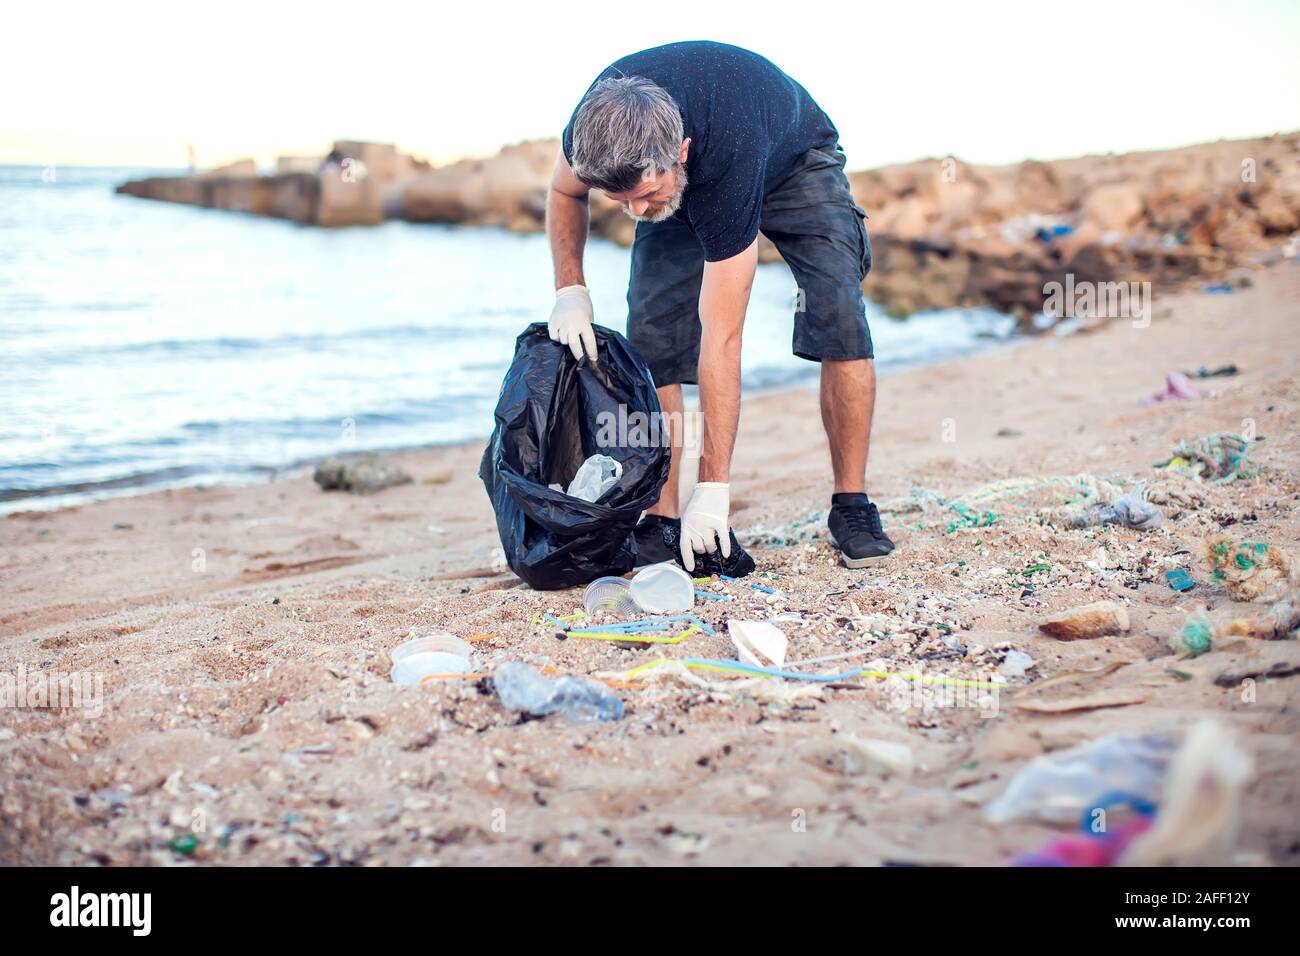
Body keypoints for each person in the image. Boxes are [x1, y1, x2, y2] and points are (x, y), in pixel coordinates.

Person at [546, 41, 893, 571]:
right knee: (654, 338)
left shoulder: (729, 154)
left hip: (794, 162)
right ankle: (662, 520)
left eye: (645, 193)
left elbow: (723, 337)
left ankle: (851, 504)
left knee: (837, 313)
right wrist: (570, 290)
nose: (637, 212)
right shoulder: (590, 132)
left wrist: (714, 489)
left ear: (680, 152)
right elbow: (565, 193)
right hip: (697, 164)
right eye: (622, 203)